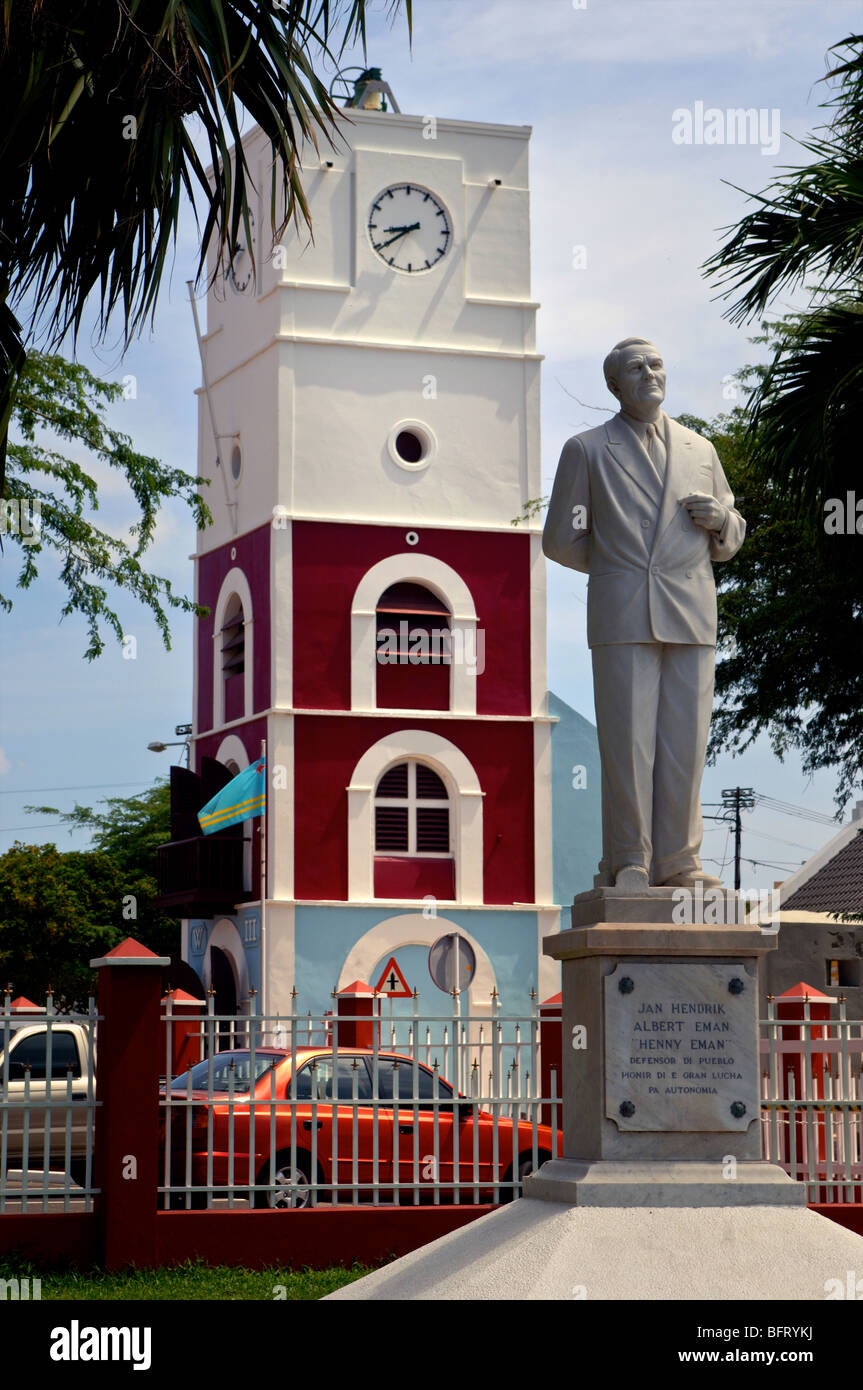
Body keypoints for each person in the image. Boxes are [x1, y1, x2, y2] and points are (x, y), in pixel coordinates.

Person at [542, 337, 745, 891]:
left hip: (692, 611)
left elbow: (731, 538)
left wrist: (720, 519)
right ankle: (630, 858)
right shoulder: (586, 449)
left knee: (685, 746)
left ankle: (681, 863)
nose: (649, 373)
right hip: (623, 613)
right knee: (629, 746)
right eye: (635, 367)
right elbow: (560, 540)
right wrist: (618, 569)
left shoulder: (700, 450)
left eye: (656, 364)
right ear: (615, 385)